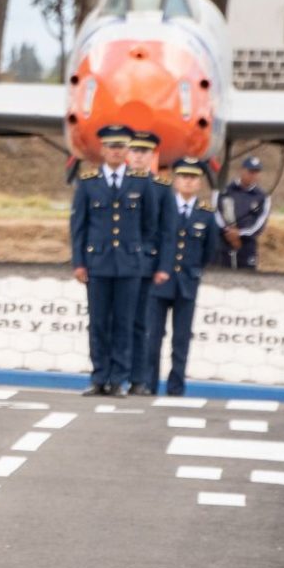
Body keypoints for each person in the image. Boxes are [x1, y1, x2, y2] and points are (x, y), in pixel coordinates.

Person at [70, 124, 164, 397]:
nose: (116, 151)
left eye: (121, 147)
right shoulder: (88, 182)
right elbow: (79, 225)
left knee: (124, 323)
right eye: (111, 147)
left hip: (129, 265)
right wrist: (79, 262)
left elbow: (150, 225)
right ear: (103, 150)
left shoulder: (141, 182)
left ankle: (118, 379)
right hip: (97, 263)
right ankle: (99, 376)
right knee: (98, 323)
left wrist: (140, 252)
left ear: (126, 151)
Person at [142, 158, 220, 396]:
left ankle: (176, 386)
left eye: (193, 178)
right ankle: (148, 384)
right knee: (152, 336)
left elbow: (210, 250)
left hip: (187, 283)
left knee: (181, 339)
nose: (188, 181)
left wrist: (192, 270)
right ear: (175, 180)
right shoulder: (162, 208)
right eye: (184, 176)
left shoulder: (206, 214)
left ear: (199, 183)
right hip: (160, 282)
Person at [124, 129, 172, 395]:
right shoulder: (118, 184)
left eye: (144, 152)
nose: (139, 156)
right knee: (115, 322)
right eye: (135, 151)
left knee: (141, 323)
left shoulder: (161, 188)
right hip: (117, 265)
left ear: (152, 156)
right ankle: (114, 374)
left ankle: (137, 379)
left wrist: (163, 266)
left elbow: (168, 231)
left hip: (144, 266)